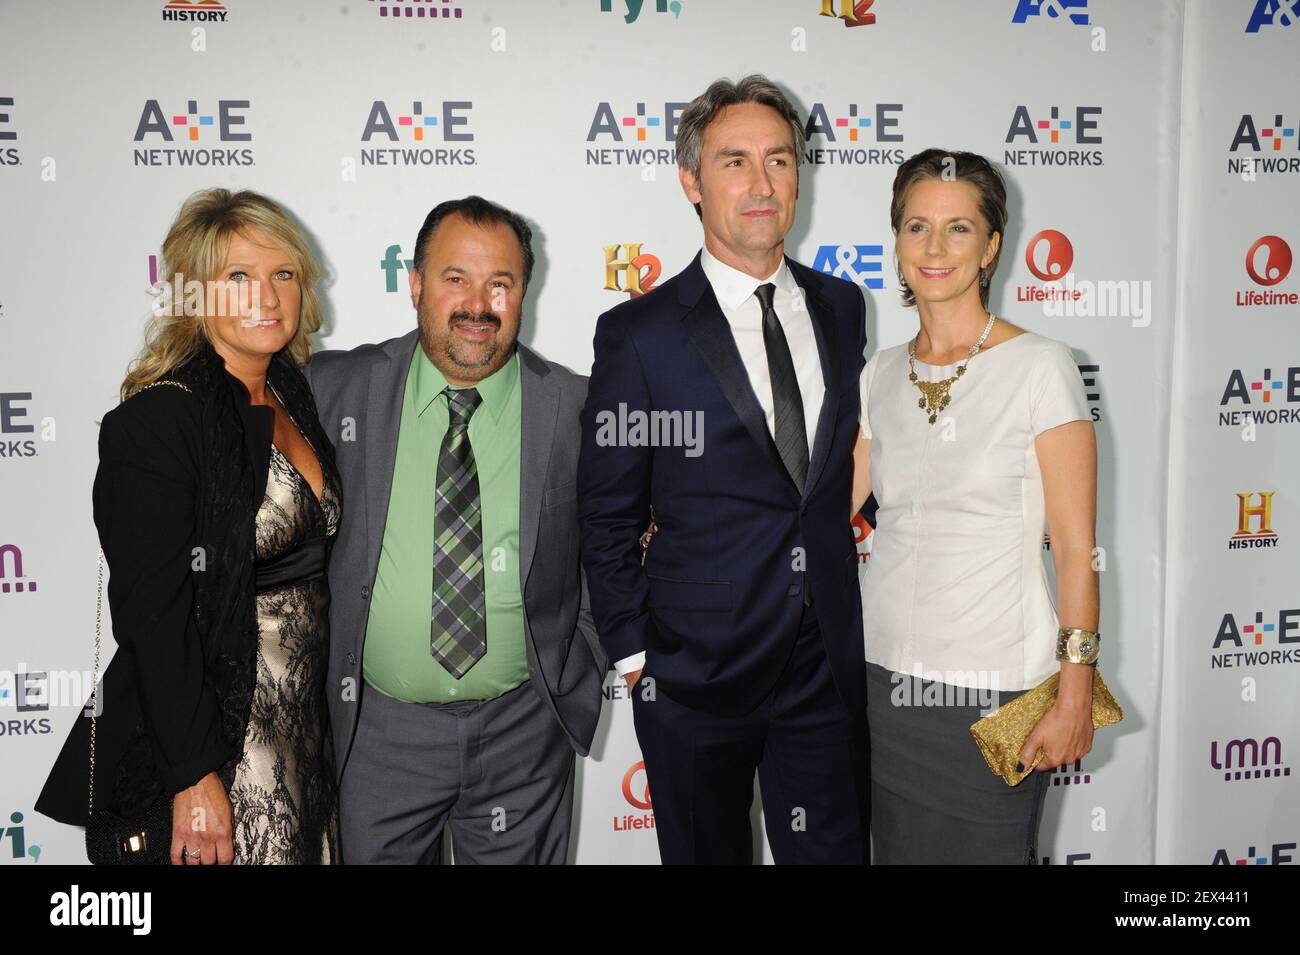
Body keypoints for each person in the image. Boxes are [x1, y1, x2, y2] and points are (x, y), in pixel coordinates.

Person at [578, 75, 870, 864]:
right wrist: (639, 660)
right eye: (734, 161)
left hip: (823, 664)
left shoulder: (844, 307)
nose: (761, 183)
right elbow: (605, 515)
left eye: (779, 160)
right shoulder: (639, 333)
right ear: (691, 182)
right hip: (692, 671)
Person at [36, 188, 340, 864]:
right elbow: (154, 616)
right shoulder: (159, 421)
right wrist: (193, 777)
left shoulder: (292, 394)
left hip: (301, 739)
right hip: (219, 748)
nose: (266, 295)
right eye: (239, 277)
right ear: (195, 294)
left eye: (282, 274)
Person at [304, 195, 606, 865]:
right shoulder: (334, 390)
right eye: (455, 279)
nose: (479, 303)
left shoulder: (575, 405)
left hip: (523, 732)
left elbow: (612, 547)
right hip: (378, 735)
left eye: (500, 283)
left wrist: (577, 656)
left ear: (525, 290)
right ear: (415, 284)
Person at [850, 148, 1099, 864]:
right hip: (879, 685)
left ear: (992, 245)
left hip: (997, 694)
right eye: (917, 227)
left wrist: (1074, 694)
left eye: (959, 229)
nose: (935, 248)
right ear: (895, 241)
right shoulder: (878, 373)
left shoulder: (1041, 365)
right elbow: (825, 509)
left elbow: (1079, 550)